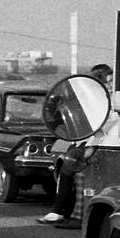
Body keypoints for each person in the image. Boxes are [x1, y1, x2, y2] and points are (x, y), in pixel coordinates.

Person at [38, 64, 114, 226]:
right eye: (108, 81)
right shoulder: (98, 100)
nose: (110, 85)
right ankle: (61, 211)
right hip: (93, 142)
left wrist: (89, 149)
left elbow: (104, 127)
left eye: (111, 81)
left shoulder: (110, 101)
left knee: (71, 165)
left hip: (103, 143)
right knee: (69, 163)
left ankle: (69, 214)